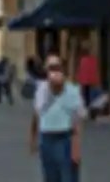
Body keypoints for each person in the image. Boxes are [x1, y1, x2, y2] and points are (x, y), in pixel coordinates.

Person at [29, 54, 84, 182]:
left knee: (68, 177)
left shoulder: (72, 91)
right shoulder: (41, 90)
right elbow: (36, 115)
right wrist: (33, 139)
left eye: (57, 68)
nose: (55, 72)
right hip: (47, 138)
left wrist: (76, 148)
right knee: (51, 177)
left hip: (65, 138)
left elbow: (77, 120)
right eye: (51, 68)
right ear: (46, 71)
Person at [74, 42, 100, 108]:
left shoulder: (84, 60)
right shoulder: (87, 60)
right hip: (87, 82)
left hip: (86, 82)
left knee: (86, 95)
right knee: (86, 95)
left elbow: (81, 70)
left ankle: (87, 106)